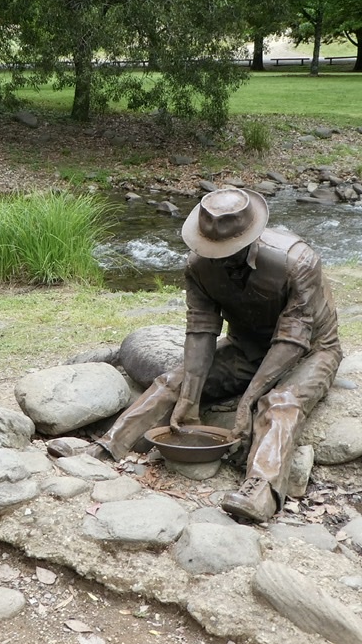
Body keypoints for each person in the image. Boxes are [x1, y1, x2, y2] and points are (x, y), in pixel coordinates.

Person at [48, 187, 342, 523]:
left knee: (280, 403)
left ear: (251, 237)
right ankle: (108, 445)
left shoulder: (297, 261)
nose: (219, 257)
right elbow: (202, 330)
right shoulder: (198, 266)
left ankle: (261, 490)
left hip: (312, 352)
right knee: (175, 380)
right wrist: (190, 394)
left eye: (228, 250)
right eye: (212, 248)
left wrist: (248, 399)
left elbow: (293, 340)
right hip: (246, 347)